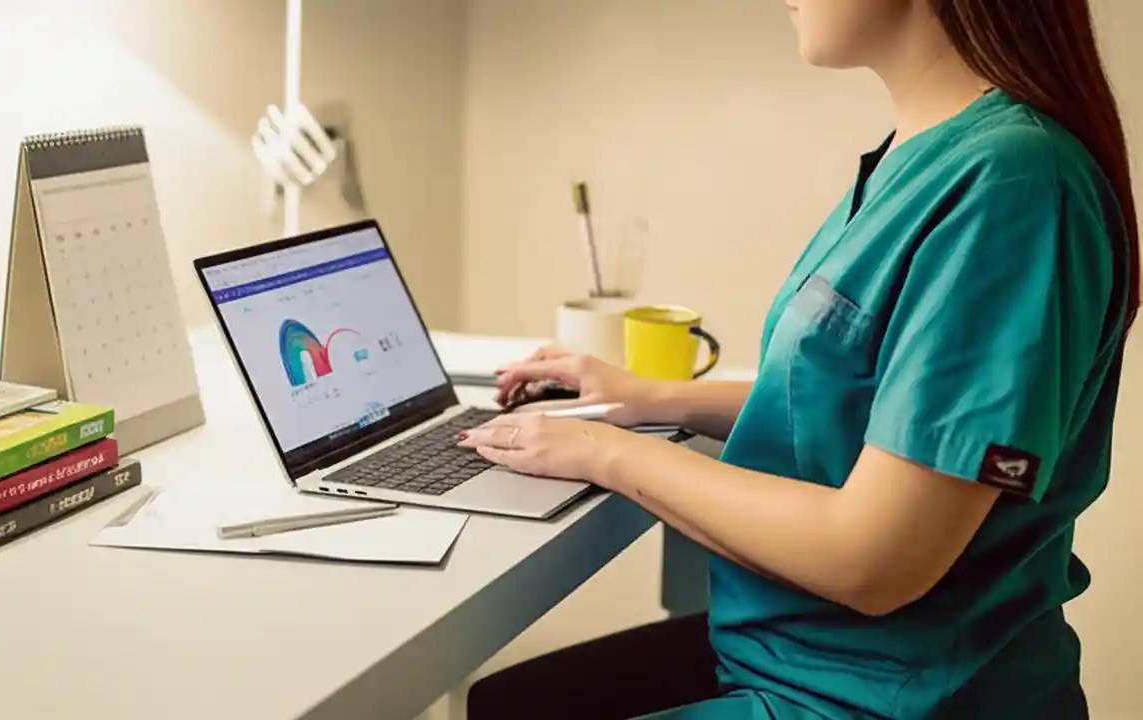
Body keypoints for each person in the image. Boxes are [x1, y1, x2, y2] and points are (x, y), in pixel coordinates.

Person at [459, 1, 1138, 718]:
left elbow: (873, 561)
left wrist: (606, 455)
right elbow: (862, 402)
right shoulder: (929, 153)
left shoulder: (1012, 185)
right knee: (511, 703)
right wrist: (652, 398)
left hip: (880, 695)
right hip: (803, 653)